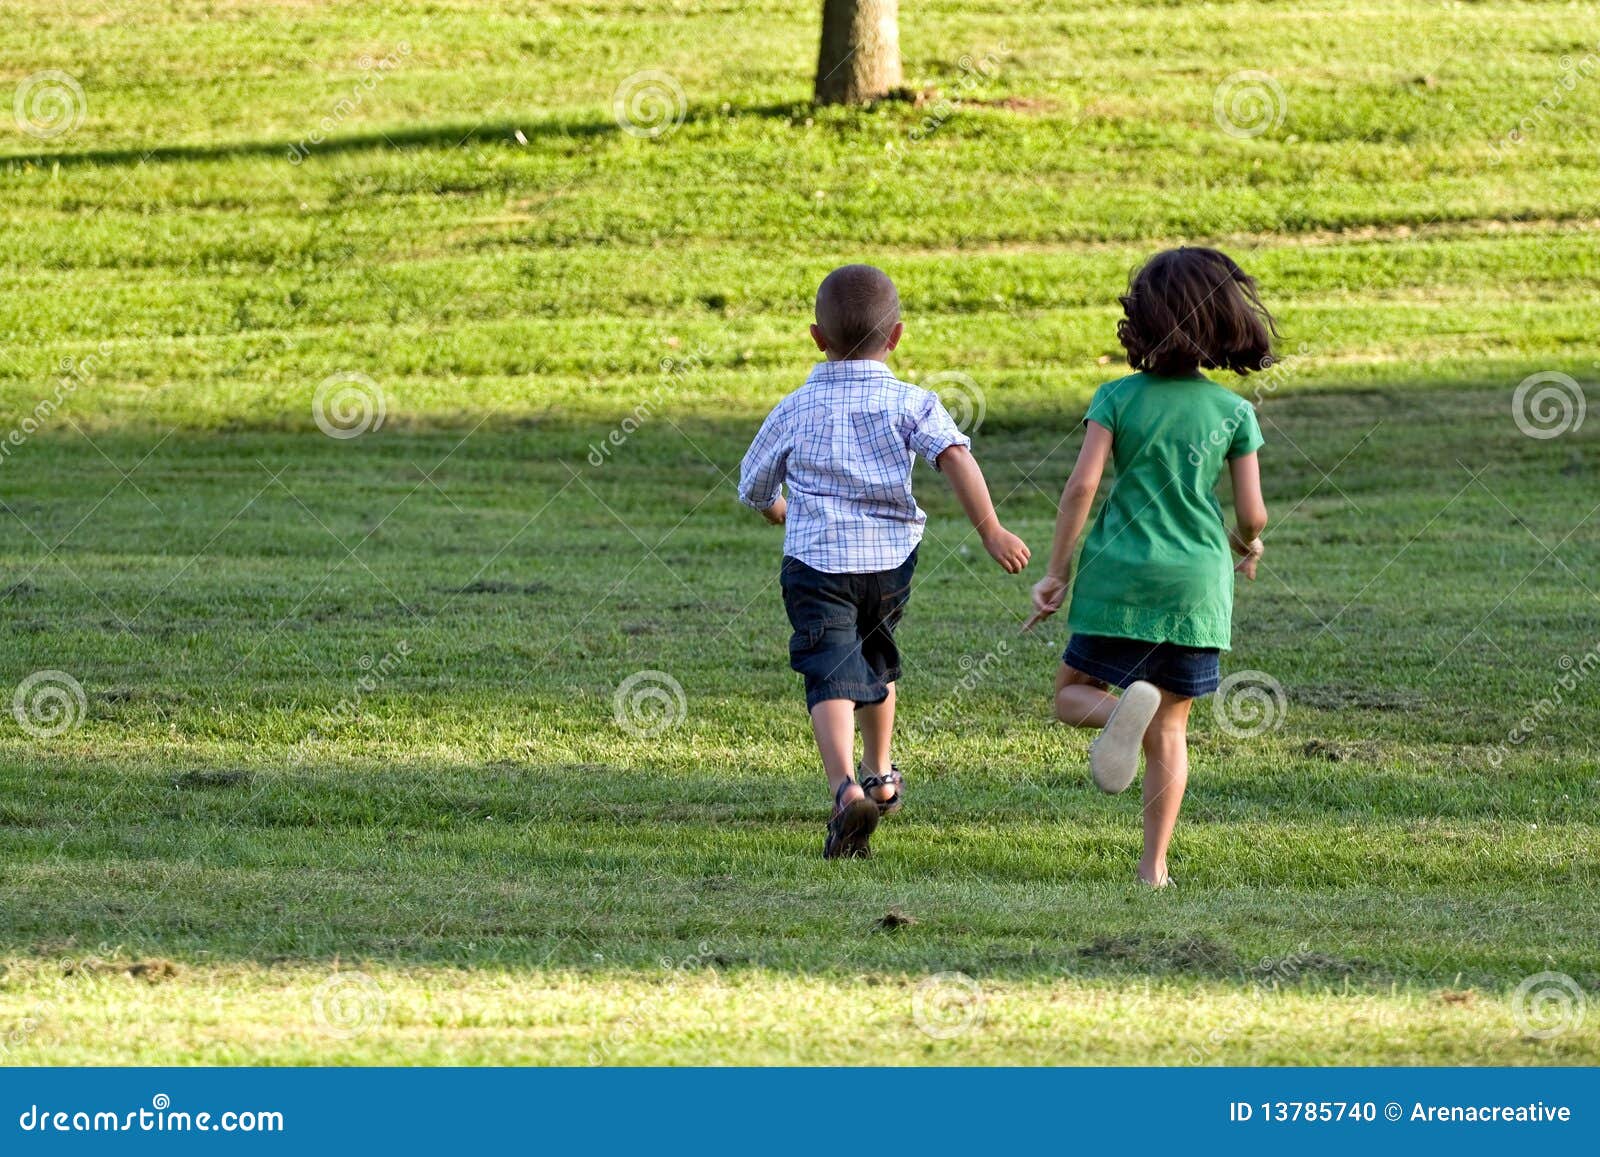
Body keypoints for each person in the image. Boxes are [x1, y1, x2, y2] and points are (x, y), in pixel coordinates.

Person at [739, 264, 1030, 859]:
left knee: (829, 670)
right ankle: (881, 774)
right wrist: (991, 530)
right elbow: (954, 457)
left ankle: (844, 791)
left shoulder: (796, 406)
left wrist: (778, 511)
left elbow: (753, 482)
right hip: (889, 566)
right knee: (877, 658)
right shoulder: (910, 401)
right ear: (895, 336)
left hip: (818, 563)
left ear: (817, 338)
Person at [1027, 247, 1274, 887]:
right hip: (1195, 585)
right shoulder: (1233, 412)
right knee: (1170, 727)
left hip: (1118, 576)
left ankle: (1114, 712)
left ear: (1141, 322)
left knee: (1069, 695)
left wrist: (1056, 572)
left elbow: (1081, 489)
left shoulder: (1116, 397)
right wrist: (1247, 544)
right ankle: (1154, 867)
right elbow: (1252, 513)